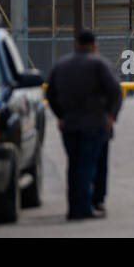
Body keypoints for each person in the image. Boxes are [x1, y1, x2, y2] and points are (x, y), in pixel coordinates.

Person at [46, 30, 123, 220]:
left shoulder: (61, 65)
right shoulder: (99, 64)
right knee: (89, 165)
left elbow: (50, 95)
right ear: (94, 44)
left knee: (74, 166)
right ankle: (86, 207)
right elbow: (115, 91)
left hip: (70, 124)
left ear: (77, 43)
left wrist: (61, 116)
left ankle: (74, 208)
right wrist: (111, 116)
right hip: (95, 123)